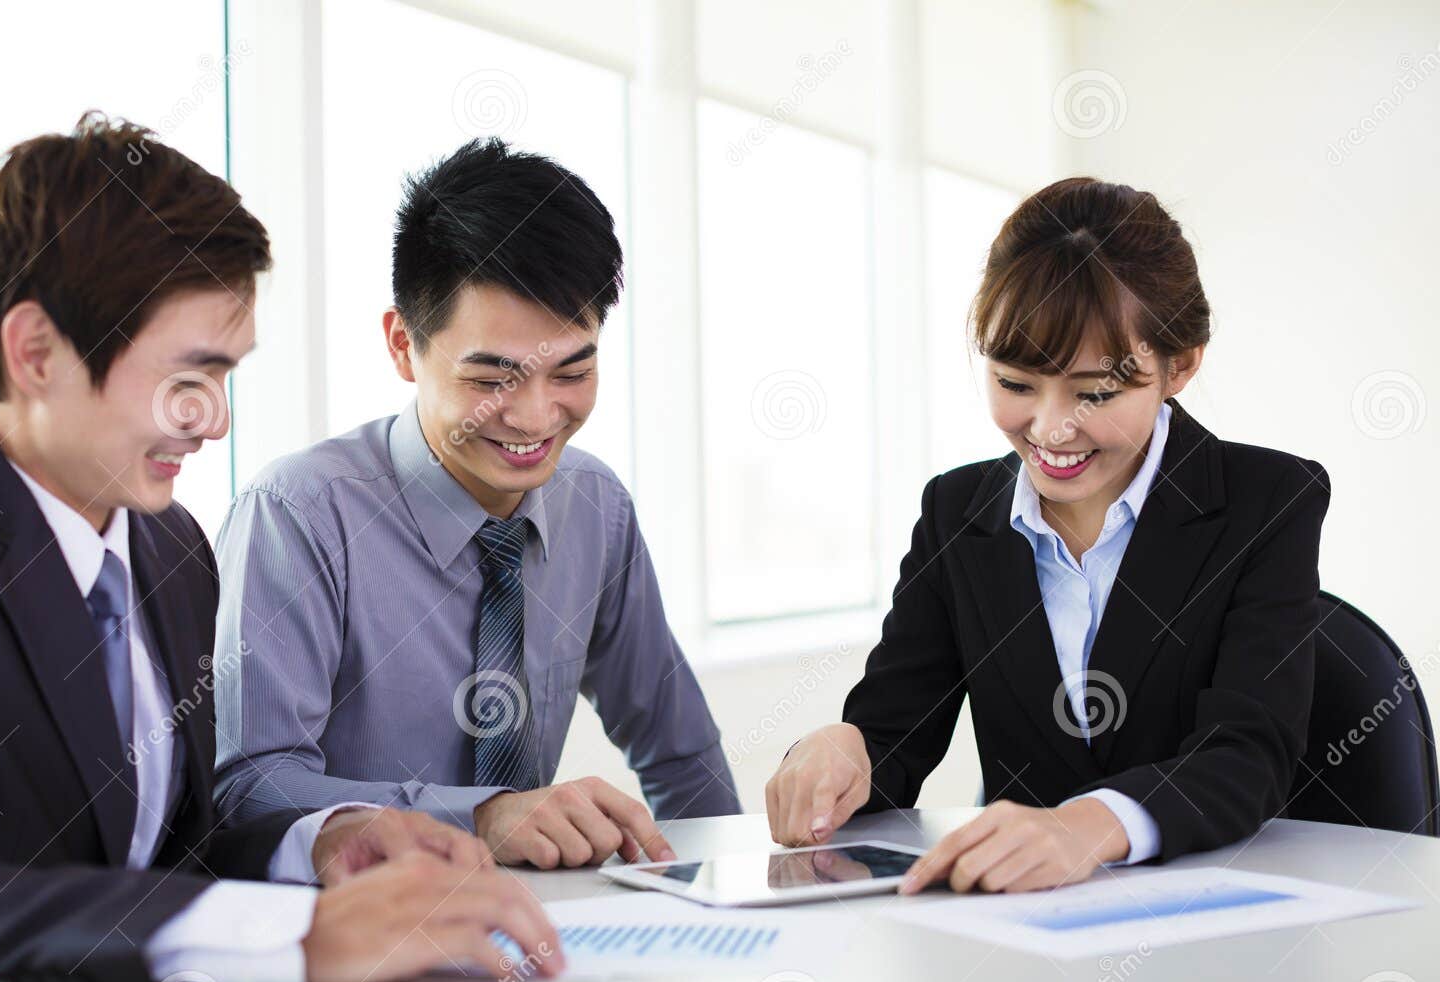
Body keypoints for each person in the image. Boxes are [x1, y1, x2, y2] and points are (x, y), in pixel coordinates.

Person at [0, 114, 560, 982]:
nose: (214, 420)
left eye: (225, 380)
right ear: (34, 352)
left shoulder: (170, 548)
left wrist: (324, 840)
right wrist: (281, 937)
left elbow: (169, 852)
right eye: (188, 377)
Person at [765, 177, 1330, 894]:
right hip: (1020, 927)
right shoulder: (956, 512)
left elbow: (1249, 753)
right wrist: (842, 749)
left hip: (1213, 915)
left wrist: (1086, 826)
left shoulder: (1267, 500)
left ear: (1179, 364)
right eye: (1016, 383)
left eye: (1094, 391)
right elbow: (894, 736)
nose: (1050, 429)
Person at [213, 138, 741, 870]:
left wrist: (738, 899)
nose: (533, 418)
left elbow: (681, 754)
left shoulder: (597, 507)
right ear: (403, 345)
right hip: (354, 946)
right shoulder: (299, 513)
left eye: (572, 371)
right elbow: (252, 789)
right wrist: (479, 818)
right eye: (493, 377)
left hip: (542, 941)